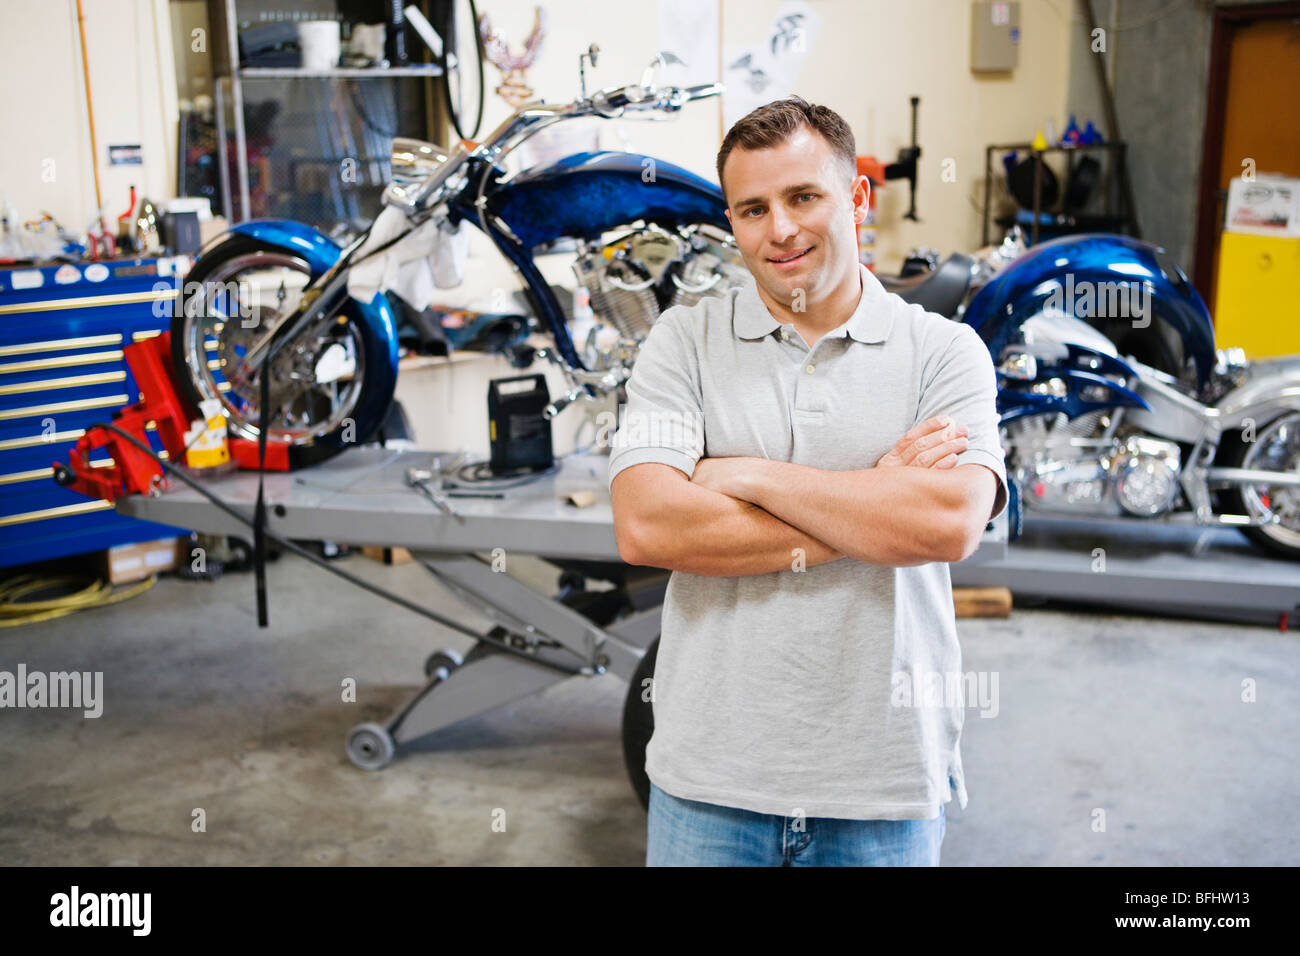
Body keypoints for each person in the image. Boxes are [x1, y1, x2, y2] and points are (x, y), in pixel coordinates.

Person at [608, 96, 1008, 866]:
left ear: (857, 197)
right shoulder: (683, 341)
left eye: (803, 197)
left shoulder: (944, 352)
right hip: (709, 783)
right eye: (753, 209)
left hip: (882, 787)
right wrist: (874, 505)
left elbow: (948, 526)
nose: (780, 229)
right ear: (732, 223)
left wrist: (743, 475)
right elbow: (648, 527)